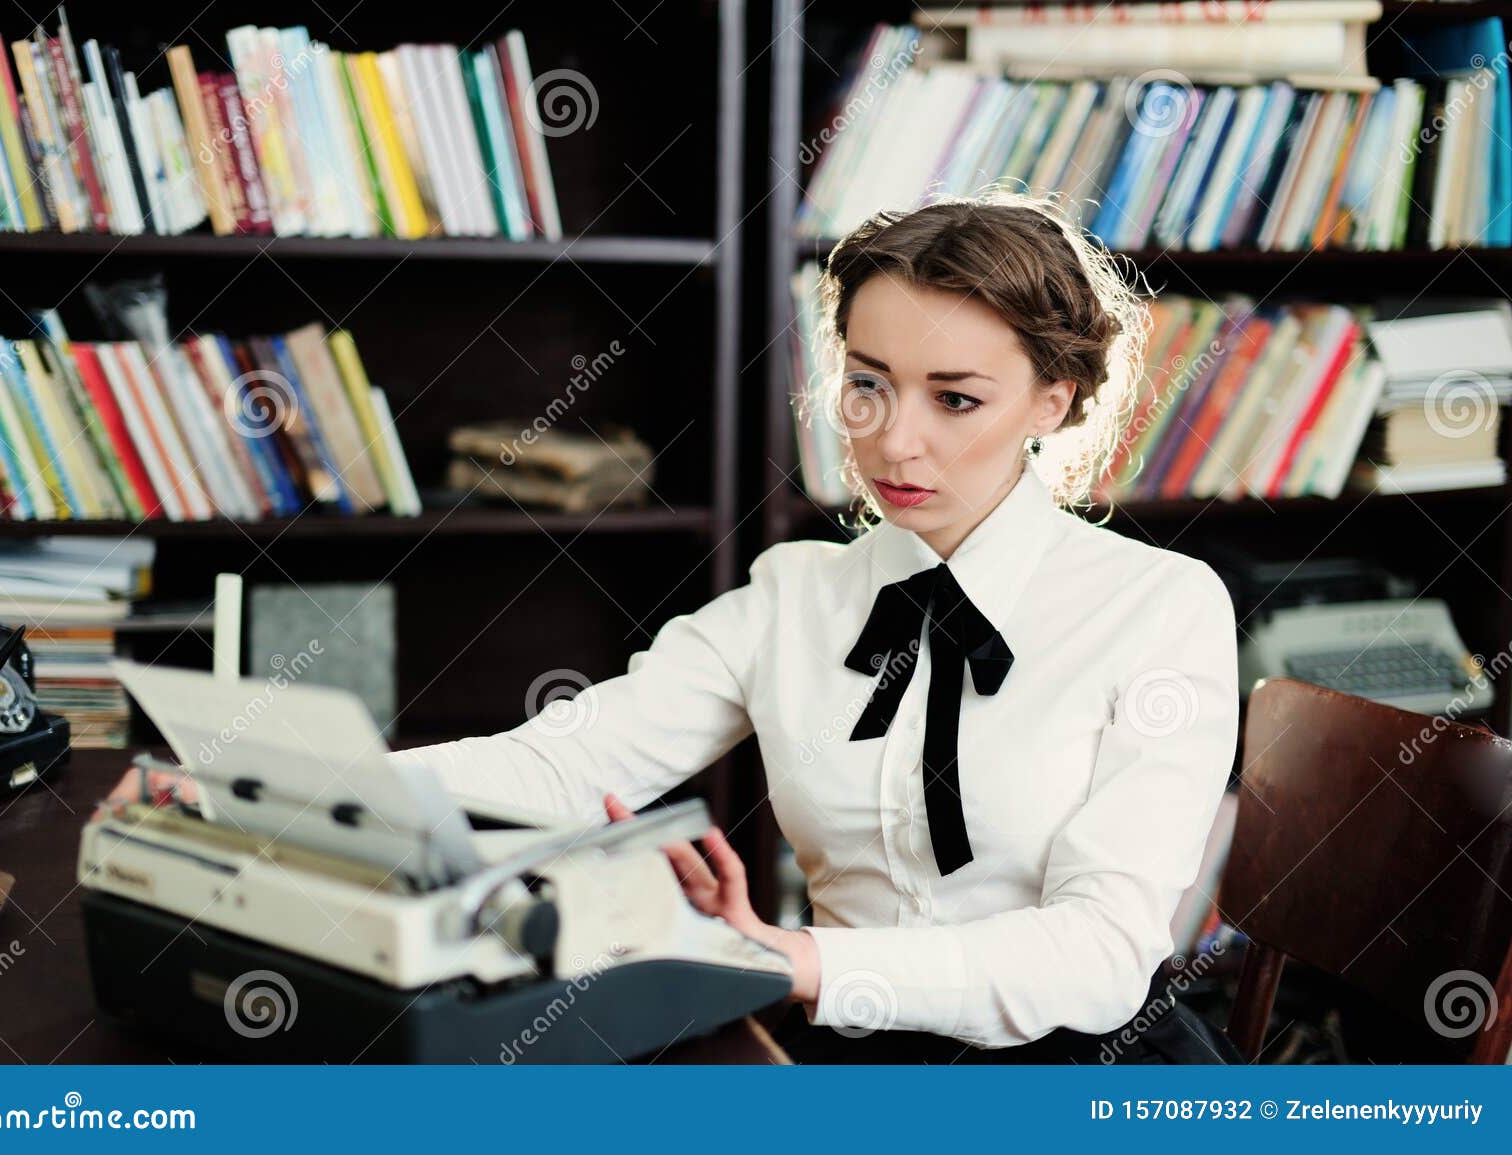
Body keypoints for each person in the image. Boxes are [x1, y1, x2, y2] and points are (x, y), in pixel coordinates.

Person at [106, 188, 1243, 1064]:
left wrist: (791, 957)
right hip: (838, 1048)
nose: (894, 443)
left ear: (1050, 401)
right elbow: (560, 763)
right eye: (866, 383)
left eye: (955, 399)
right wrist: (244, 786)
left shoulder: (1159, 608)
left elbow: (1098, 954)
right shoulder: (797, 594)